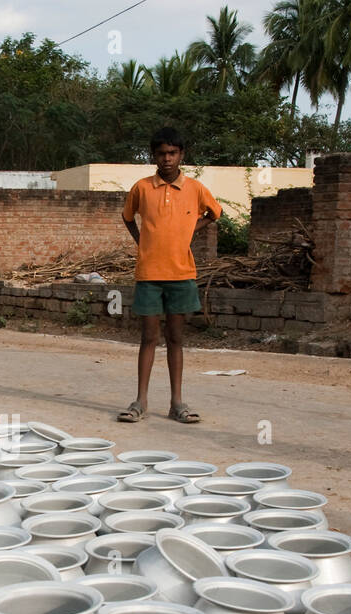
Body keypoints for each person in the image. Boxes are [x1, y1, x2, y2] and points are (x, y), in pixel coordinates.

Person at [117, 127, 221, 424]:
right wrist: (142, 242)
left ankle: (177, 403)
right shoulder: (141, 188)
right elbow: (127, 218)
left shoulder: (195, 189)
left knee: (176, 338)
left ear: (182, 155)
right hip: (149, 272)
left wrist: (190, 231)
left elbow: (214, 213)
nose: (167, 159)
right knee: (149, 337)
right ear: (154, 156)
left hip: (181, 273)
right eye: (161, 153)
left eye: (172, 153)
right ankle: (140, 401)